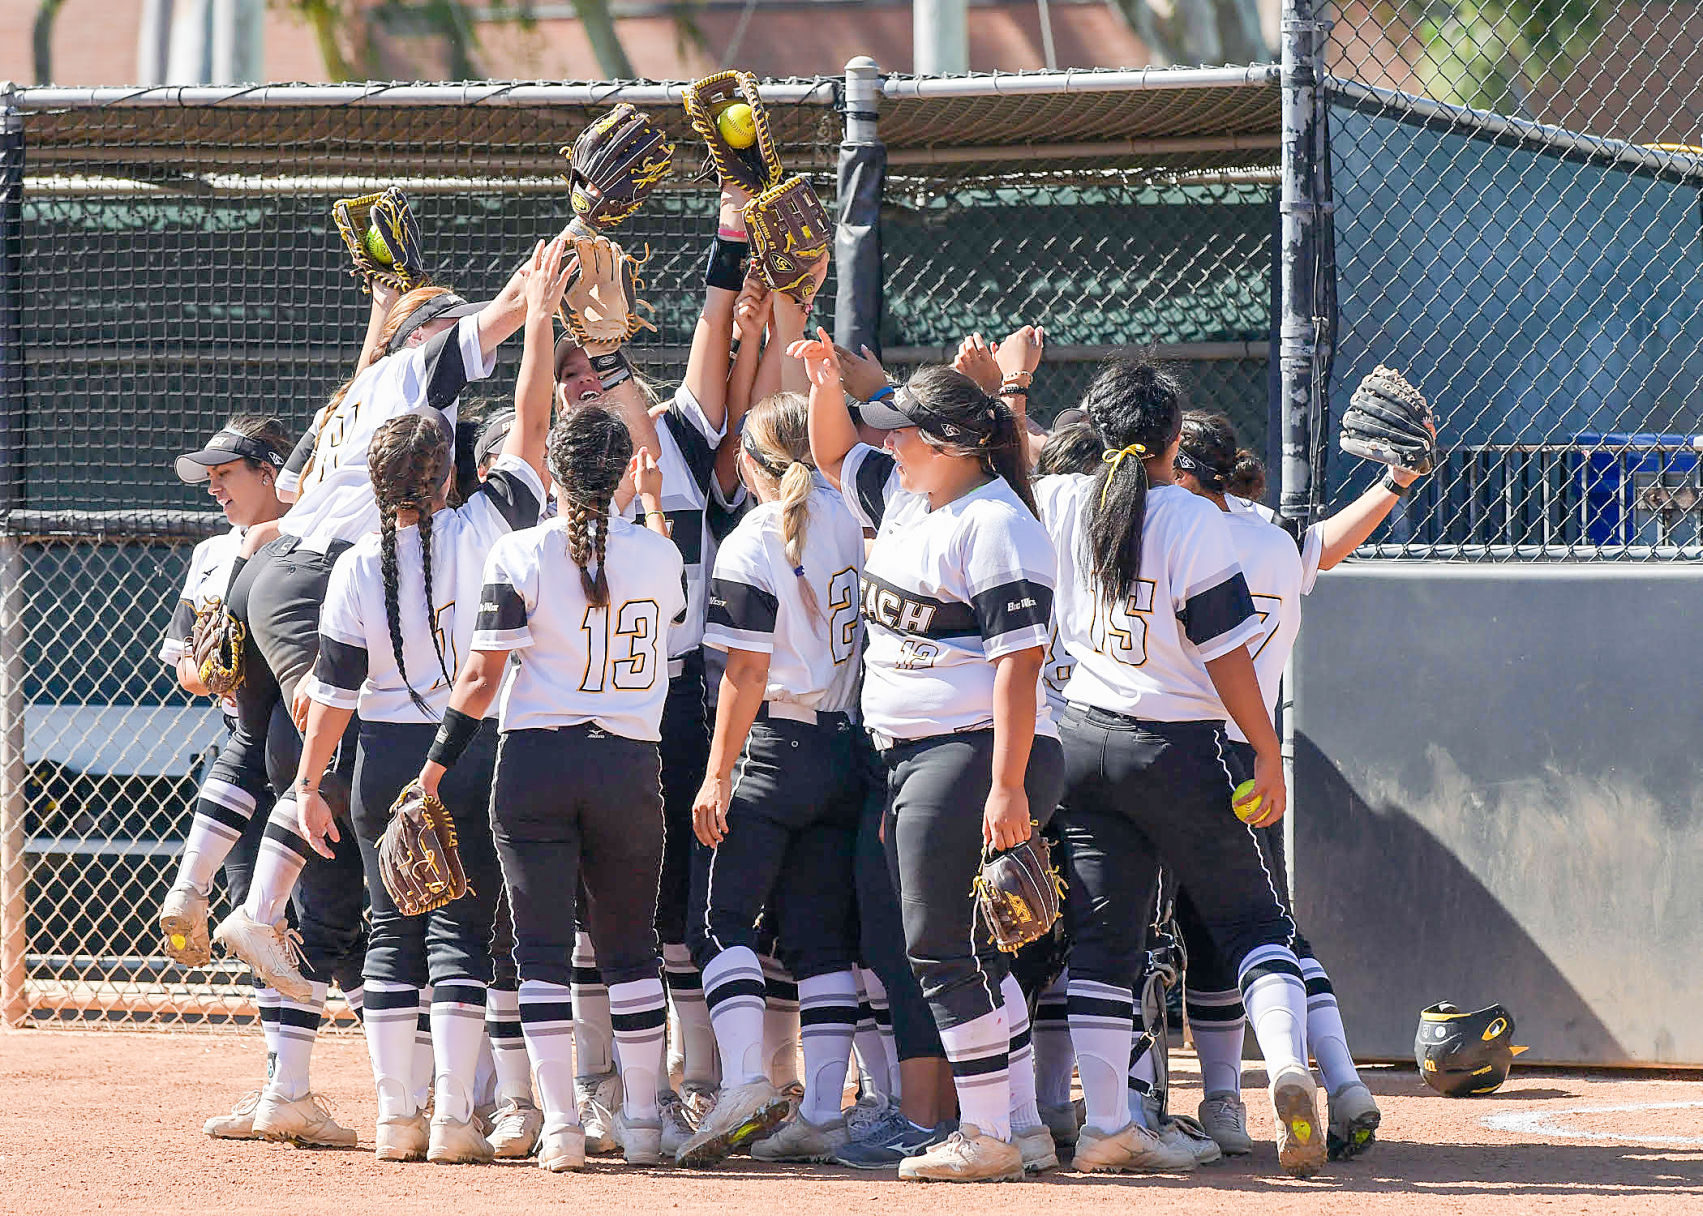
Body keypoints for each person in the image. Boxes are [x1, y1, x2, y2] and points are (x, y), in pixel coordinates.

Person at [289, 237, 569, 1164]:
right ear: (450, 474)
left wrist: (306, 786)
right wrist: (539, 322)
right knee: (459, 932)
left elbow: (328, 695)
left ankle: (394, 1116)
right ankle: (455, 1117)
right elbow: (529, 424)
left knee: (389, 933)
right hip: (470, 753)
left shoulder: (357, 562)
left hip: (379, 760)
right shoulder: (489, 523)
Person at [212, 251, 537, 1001]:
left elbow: (290, 488)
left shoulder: (361, 389)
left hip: (289, 567)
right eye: (448, 326)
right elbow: (507, 314)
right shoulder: (418, 372)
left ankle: (225, 896)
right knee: (314, 736)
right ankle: (257, 909)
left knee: (297, 737)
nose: (468, 345)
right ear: (422, 334)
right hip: (319, 572)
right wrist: (562, 250)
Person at [1032, 355, 1324, 1180]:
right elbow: (1226, 655)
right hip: (1178, 747)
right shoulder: (1192, 520)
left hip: (1081, 741)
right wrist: (1265, 750)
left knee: (1101, 942)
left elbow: (1021, 452)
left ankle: (1109, 1127)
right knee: (1253, 927)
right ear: (1172, 438)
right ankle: (1286, 1075)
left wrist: (1013, 385)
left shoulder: (1061, 497)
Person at [796, 332, 1064, 1183]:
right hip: (920, 755)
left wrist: (1006, 785)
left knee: (938, 946)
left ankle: (984, 1132)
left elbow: (1017, 664)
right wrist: (820, 381)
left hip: (975, 752)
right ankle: (1016, 1124)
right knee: (971, 949)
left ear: (949, 446)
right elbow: (833, 448)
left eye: (907, 432)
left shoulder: (995, 524)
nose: (890, 441)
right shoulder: (915, 500)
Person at [416, 404, 686, 1174]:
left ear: (556, 475)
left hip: (536, 762)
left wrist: (434, 765)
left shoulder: (520, 549)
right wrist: (649, 505)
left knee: (538, 950)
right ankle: (640, 1123)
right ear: (626, 469)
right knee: (631, 949)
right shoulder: (660, 557)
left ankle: (561, 1126)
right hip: (629, 766)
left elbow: (479, 678)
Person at [1170, 409, 1428, 1161]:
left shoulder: (1173, 529)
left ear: (1184, 470)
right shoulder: (1273, 534)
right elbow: (1332, 542)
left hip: (1173, 749)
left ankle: (1167, 1102)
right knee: (1267, 929)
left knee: (1153, 938)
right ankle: (1336, 1079)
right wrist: (1396, 481)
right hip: (1255, 762)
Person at [675, 391, 867, 1166]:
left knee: (718, 926)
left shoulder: (754, 534)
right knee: (822, 941)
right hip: (843, 748)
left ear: (752, 463)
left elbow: (747, 670)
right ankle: (822, 1109)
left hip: (771, 751)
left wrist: (716, 773)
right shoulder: (852, 512)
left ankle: (747, 1081)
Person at [155, 416, 294, 1139]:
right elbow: (182, 663)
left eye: (226, 474)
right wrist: (206, 670)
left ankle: (427, 1085)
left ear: (271, 472)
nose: (214, 488)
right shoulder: (211, 553)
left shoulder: (315, 541)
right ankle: (282, 1083)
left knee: (343, 929)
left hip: (312, 764)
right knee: (254, 919)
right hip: (241, 765)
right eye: (208, 478)